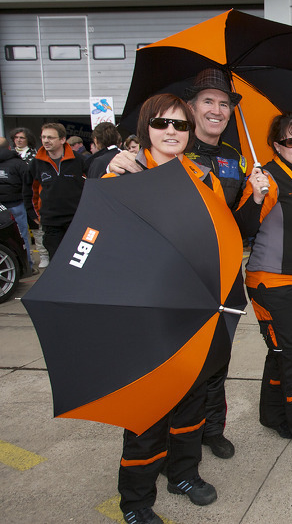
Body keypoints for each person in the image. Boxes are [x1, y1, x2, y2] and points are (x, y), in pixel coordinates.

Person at [112, 93, 261, 524]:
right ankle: (136, 501)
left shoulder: (204, 175)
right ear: (146, 130)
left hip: (199, 309)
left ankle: (183, 472)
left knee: (191, 401)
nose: (172, 132)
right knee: (148, 409)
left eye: (180, 125)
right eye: (162, 125)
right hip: (148, 313)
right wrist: (110, 169)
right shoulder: (124, 172)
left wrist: (254, 198)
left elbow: (227, 234)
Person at [237, 113, 292, 456]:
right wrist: (256, 196)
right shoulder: (267, 178)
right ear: (276, 146)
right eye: (291, 141)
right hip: (271, 282)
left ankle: (272, 414)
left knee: (280, 351)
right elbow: (243, 226)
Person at [30, 123, 86, 259]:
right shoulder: (36, 163)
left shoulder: (79, 161)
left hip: (76, 220)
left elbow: (90, 188)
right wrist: (33, 213)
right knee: (56, 259)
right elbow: (30, 190)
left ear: (62, 140)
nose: (46, 140)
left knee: (77, 260)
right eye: (43, 137)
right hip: (51, 222)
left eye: (50, 137)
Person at [11, 127, 48, 268]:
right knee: (20, 232)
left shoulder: (35, 155)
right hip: (15, 199)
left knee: (37, 229)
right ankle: (27, 260)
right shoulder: (9, 155)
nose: (19, 140)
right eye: (16, 138)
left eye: (22, 138)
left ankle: (44, 255)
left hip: (32, 197)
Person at [0, 136, 35, 272]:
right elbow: (29, 184)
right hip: (16, 204)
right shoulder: (18, 163)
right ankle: (27, 268)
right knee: (22, 236)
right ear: (9, 147)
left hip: (2, 206)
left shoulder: (17, 163)